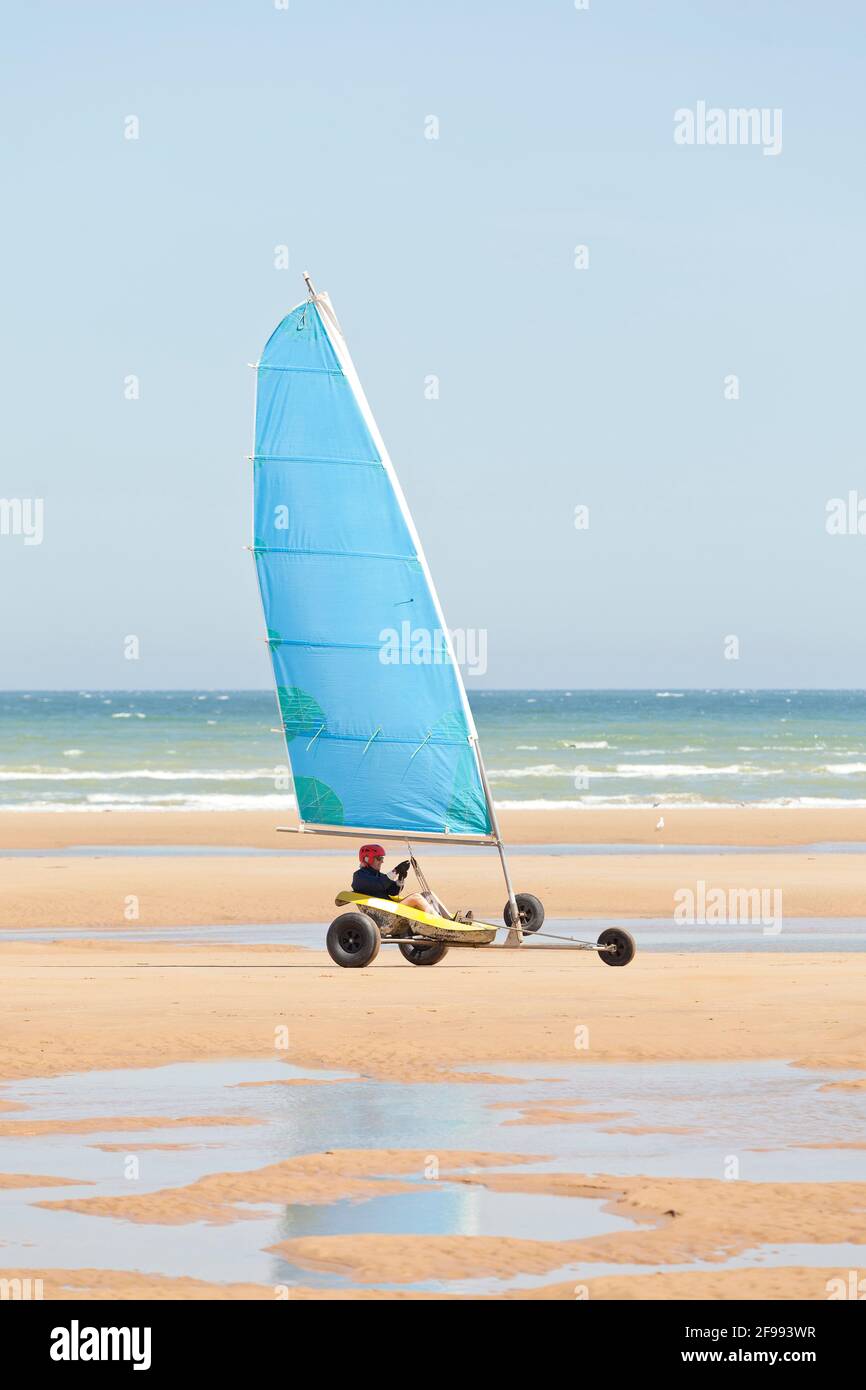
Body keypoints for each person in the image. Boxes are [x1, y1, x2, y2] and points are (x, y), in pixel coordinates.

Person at [352, 845, 431, 912]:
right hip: (383, 912)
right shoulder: (359, 876)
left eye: (382, 858)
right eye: (379, 859)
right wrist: (395, 871)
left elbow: (393, 891)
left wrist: (401, 878)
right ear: (367, 859)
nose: (382, 862)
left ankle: (440, 917)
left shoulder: (377, 875)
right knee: (416, 898)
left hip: (389, 909)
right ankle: (436, 920)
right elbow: (379, 885)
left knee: (426, 895)